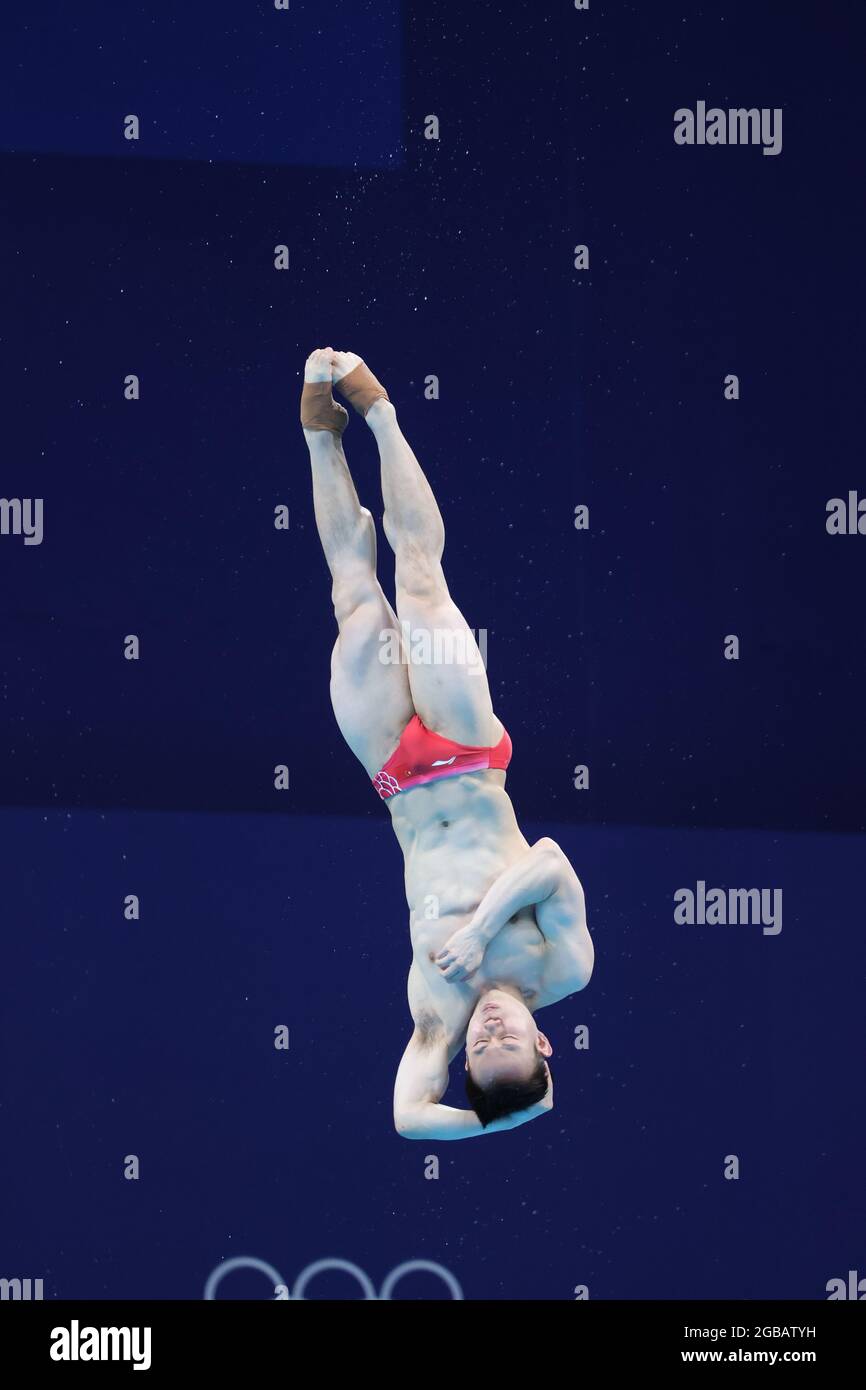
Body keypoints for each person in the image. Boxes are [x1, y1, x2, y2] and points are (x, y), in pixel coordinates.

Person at [301, 348, 594, 1139]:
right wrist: (473, 932)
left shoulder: (436, 1018)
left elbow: (407, 1120)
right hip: (467, 750)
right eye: (511, 1041)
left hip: (394, 774)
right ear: (543, 1040)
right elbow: (551, 861)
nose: (490, 1030)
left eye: (481, 1048)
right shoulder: (562, 970)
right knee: (420, 580)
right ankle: (384, 416)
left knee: (356, 603)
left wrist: (499, 1119)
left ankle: (320, 436)